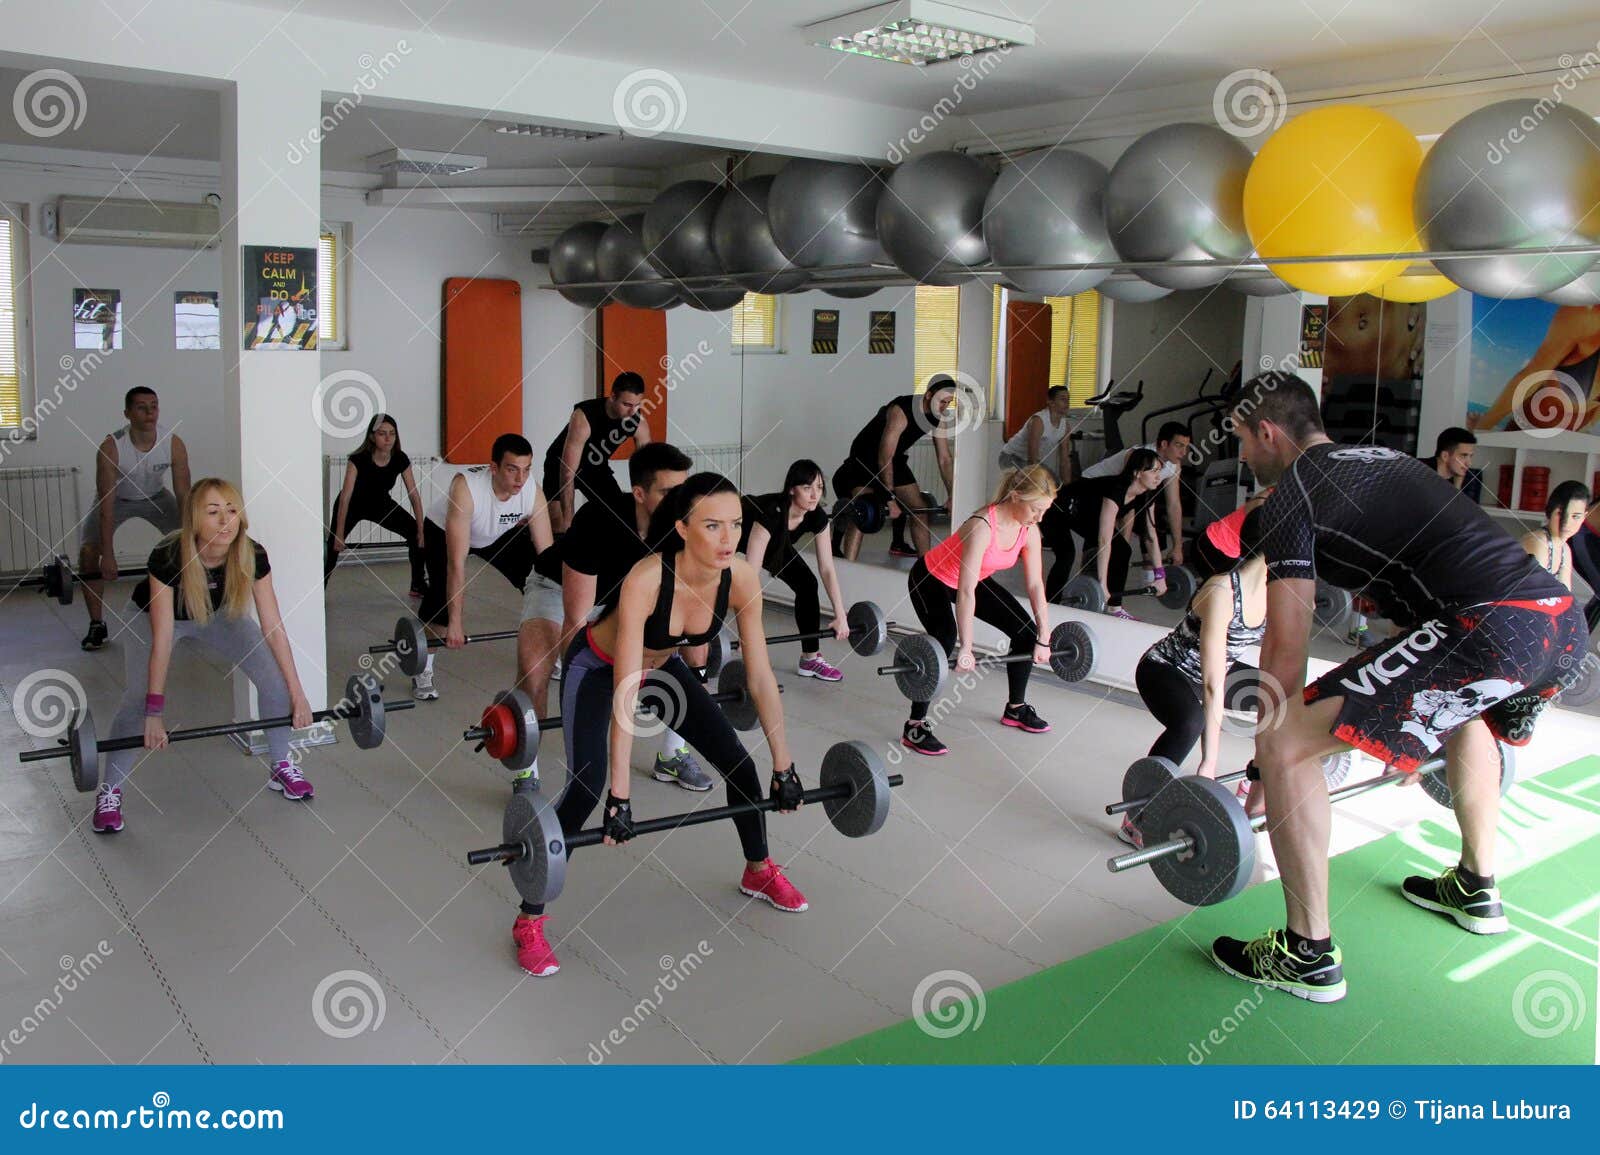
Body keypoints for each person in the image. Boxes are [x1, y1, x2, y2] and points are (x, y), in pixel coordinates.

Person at [1209, 373, 1587, 1004]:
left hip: (1493, 622)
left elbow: (1285, 647)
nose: (1243, 456)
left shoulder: (1291, 496)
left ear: (1268, 431)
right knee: (1468, 713)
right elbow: (1431, 600)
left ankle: (1307, 951)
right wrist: (1407, 724)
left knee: (1286, 744)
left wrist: (1267, 758)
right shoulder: (1387, 460)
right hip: (1560, 625)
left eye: (1243, 441)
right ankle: (1475, 885)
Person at [511, 473, 808, 977]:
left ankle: (757, 869)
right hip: (600, 666)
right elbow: (627, 688)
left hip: (662, 667)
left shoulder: (740, 577)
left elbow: (758, 676)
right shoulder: (647, 578)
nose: (728, 538)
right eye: (712, 525)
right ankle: (529, 918)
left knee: (738, 761)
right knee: (588, 786)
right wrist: (621, 797)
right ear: (682, 527)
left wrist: (785, 765)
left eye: (735, 525)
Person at [92, 479, 315, 833]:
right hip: (152, 619)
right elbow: (163, 638)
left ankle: (281, 765)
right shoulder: (168, 556)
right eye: (214, 512)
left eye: (232, 510)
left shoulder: (252, 554)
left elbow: (273, 628)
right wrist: (155, 713)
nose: (226, 520)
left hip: (217, 616)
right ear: (195, 520)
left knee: (274, 683)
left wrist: (298, 694)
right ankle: (110, 791)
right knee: (136, 699)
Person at [555, 441, 709, 792]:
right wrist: (590, 691)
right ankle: (527, 770)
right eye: (670, 492)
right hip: (569, 589)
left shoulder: (682, 528)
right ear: (639, 493)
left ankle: (672, 755)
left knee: (697, 649)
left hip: (631, 598)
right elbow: (577, 617)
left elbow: (689, 605)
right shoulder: (597, 518)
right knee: (536, 662)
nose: (681, 501)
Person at [1126, 494, 1270, 847]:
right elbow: (1210, 683)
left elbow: (1272, 661)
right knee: (1191, 721)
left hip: (1216, 670)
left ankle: (1255, 787)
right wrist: (1209, 762)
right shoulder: (1222, 590)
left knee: (1277, 697)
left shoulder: (1278, 592)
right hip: (1166, 669)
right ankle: (1136, 816)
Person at [899, 465, 1058, 757]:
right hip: (931, 577)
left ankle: (1016, 708)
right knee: (943, 639)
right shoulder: (984, 525)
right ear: (1015, 496)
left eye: (1044, 510)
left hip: (973, 579)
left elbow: (1036, 584)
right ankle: (915, 724)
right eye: (1036, 509)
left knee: (1026, 632)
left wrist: (1045, 636)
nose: (1039, 517)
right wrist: (966, 647)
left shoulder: (1029, 530)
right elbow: (965, 591)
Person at [413, 435, 556, 710]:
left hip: (495, 534)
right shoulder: (465, 490)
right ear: (494, 467)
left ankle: (550, 650)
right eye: (512, 469)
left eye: (526, 469)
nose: (520, 478)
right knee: (441, 599)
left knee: (537, 579)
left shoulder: (532, 492)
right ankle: (424, 665)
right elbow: (457, 564)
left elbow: (548, 558)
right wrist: (455, 621)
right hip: (442, 531)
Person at [79, 388, 191, 652]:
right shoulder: (111, 447)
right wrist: (107, 555)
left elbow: (184, 495)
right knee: (88, 552)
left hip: (156, 498)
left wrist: (191, 540)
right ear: (127, 414)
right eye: (141, 407)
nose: (149, 412)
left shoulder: (172, 443)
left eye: (154, 406)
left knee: (190, 544)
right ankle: (97, 624)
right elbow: (106, 505)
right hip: (116, 500)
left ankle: (189, 609)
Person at [740, 460, 852, 683]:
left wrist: (841, 615)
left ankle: (810, 658)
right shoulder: (772, 512)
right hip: (739, 529)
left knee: (807, 584)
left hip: (776, 542)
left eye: (819, 488)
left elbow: (827, 568)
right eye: (807, 487)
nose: (814, 495)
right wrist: (752, 638)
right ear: (792, 489)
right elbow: (750, 577)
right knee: (720, 583)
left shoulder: (817, 516)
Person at [833, 377, 959, 561]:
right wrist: (890, 498)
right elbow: (885, 456)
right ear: (928, 395)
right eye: (941, 401)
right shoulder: (901, 410)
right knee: (862, 509)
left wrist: (952, 496)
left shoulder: (939, 418)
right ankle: (849, 567)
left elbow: (945, 459)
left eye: (948, 402)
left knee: (919, 510)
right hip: (864, 459)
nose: (944, 407)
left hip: (895, 460)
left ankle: (925, 569)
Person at [1039, 447, 1169, 615]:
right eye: (1154, 471)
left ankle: (1115, 608)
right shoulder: (1115, 490)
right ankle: (1050, 605)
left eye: (1160, 471)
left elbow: (1150, 537)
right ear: (1137, 473)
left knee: (1122, 549)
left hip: (1083, 516)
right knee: (1066, 554)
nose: (1159, 476)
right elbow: (1104, 541)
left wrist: (1160, 575)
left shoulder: (1147, 494)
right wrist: (1102, 585)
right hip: (1058, 508)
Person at [325, 413, 427, 597]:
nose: (388, 438)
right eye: (382, 433)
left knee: (415, 532)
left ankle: (418, 584)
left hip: (380, 504)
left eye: (392, 433)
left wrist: (421, 529)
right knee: (333, 546)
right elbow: (346, 497)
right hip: (352, 505)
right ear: (372, 436)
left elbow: (414, 495)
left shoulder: (400, 458)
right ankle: (318, 589)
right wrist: (339, 534)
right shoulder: (358, 458)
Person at [542, 372, 652, 533]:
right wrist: (568, 522)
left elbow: (647, 469)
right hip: (559, 465)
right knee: (559, 527)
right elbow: (567, 473)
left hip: (595, 465)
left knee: (618, 516)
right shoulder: (584, 416)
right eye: (627, 405)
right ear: (613, 396)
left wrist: (646, 514)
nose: (632, 412)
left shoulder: (637, 422)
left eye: (637, 405)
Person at [1470, 304, 1600, 432]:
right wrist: (1482, 426)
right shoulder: (1583, 316)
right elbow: (1532, 374)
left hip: (1571, 446)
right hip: (1522, 434)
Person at [1080, 420, 1191, 569]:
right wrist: (1121, 549)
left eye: (1186, 447)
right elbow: (1123, 501)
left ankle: (1153, 584)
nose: (1184, 453)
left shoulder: (1174, 465)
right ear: (1164, 444)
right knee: (1102, 538)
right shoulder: (1139, 457)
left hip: (1124, 493)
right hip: (1091, 487)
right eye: (1179, 446)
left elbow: (1174, 505)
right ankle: (1088, 579)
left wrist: (1177, 546)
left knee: (1153, 526)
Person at [1518, 481, 1589, 589]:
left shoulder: (1564, 549)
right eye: (1561, 514)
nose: (1566, 522)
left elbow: (1565, 596)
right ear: (1550, 510)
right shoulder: (1539, 541)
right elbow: (1534, 595)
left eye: (1575, 516)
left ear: (1584, 517)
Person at [998, 385, 1075, 483]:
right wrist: (1038, 483)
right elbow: (1032, 458)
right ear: (1050, 402)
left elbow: (1065, 460)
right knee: (1035, 486)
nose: (1067, 403)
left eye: (1068, 399)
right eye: (1062, 399)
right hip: (1010, 457)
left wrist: (1067, 488)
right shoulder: (1038, 421)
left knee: (1054, 483)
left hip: (1030, 461)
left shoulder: (1065, 426)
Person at [1422, 427, 1483, 505]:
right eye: (1464, 456)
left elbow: (1464, 515)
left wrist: (1456, 487)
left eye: (1470, 456)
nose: (1469, 463)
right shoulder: (1418, 469)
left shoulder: (1470, 480)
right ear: (1445, 456)